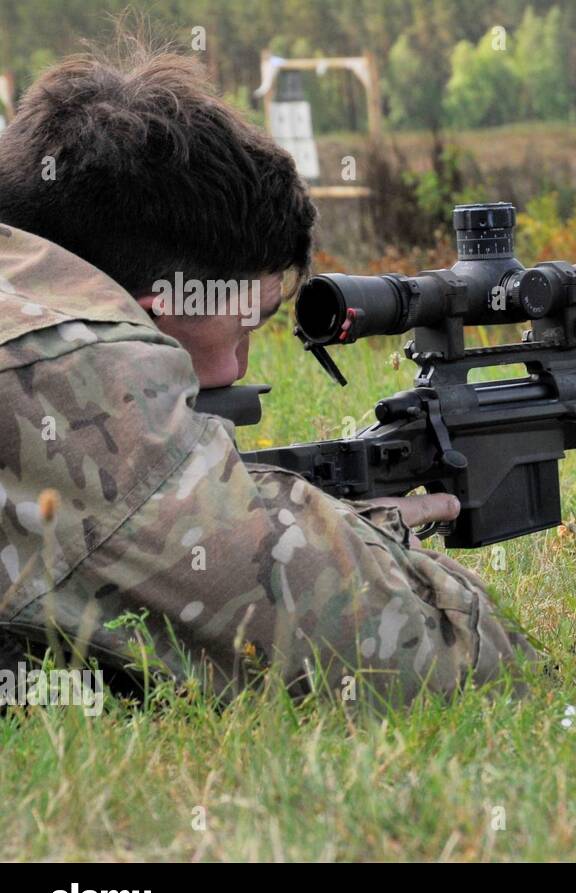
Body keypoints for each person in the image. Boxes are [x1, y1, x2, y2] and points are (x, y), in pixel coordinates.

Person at [0, 40, 534, 703]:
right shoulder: (61, 363)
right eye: (245, 323)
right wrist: (354, 537)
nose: (244, 363)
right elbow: (431, 651)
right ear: (152, 313)